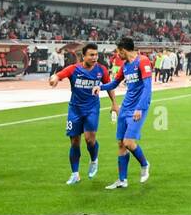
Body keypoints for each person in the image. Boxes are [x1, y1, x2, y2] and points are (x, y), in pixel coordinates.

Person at [49, 42, 117, 183]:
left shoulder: (101, 70)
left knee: (89, 140)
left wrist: (114, 103)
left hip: (92, 109)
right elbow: (59, 75)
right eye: (91, 55)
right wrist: (54, 78)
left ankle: (94, 160)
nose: (95, 57)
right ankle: (75, 174)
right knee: (74, 141)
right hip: (74, 109)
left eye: (96, 55)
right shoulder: (74, 69)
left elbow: (110, 86)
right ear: (83, 56)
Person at [98, 37, 153, 189]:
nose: (117, 54)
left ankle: (145, 164)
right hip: (126, 107)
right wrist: (99, 87)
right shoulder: (125, 66)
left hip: (137, 108)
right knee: (121, 143)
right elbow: (114, 83)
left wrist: (140, 108)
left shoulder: (143, 61)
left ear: (123, 50)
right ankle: (122, 180)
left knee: (129, 142)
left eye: (117, 51)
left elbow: (148, 88)